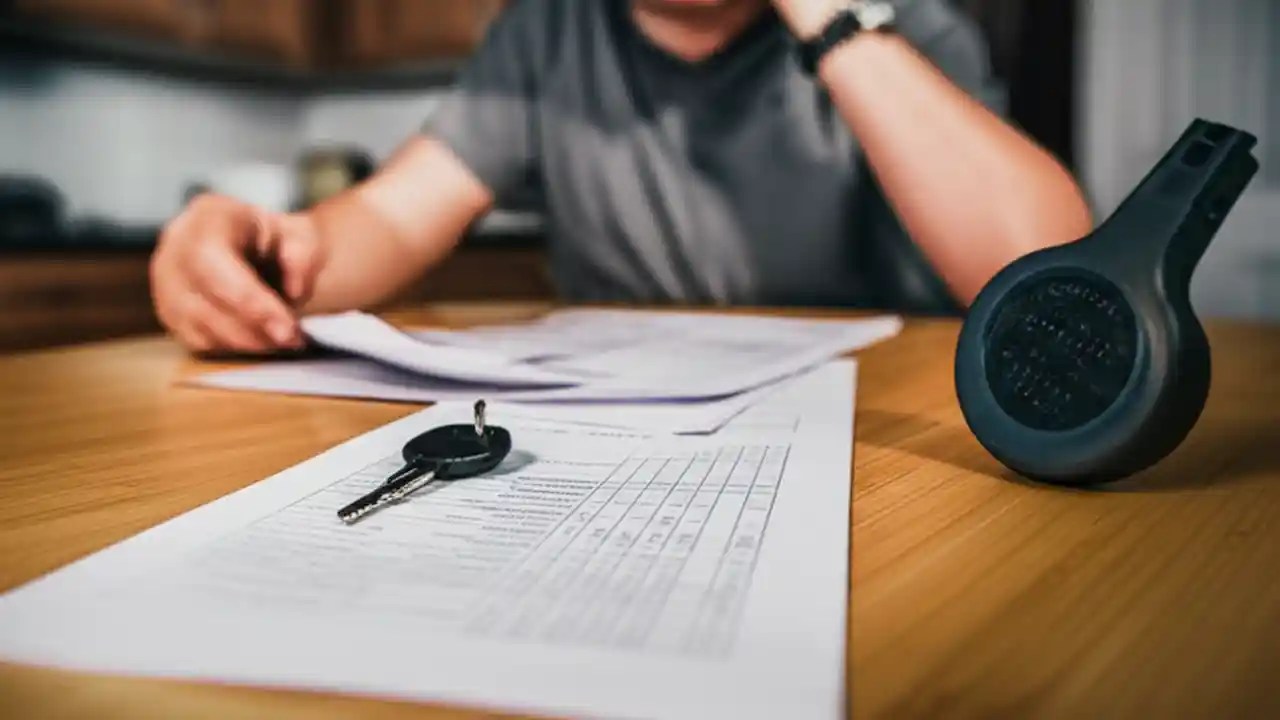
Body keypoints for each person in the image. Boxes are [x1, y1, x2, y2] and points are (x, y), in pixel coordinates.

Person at [150, 0, 1092, 353]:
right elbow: (393, 220)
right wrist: (262, 258)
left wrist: (830, 17)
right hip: (617, 450)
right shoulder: (544, 32)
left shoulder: (901, 28)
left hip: (879, 449)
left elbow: (1051, 276)